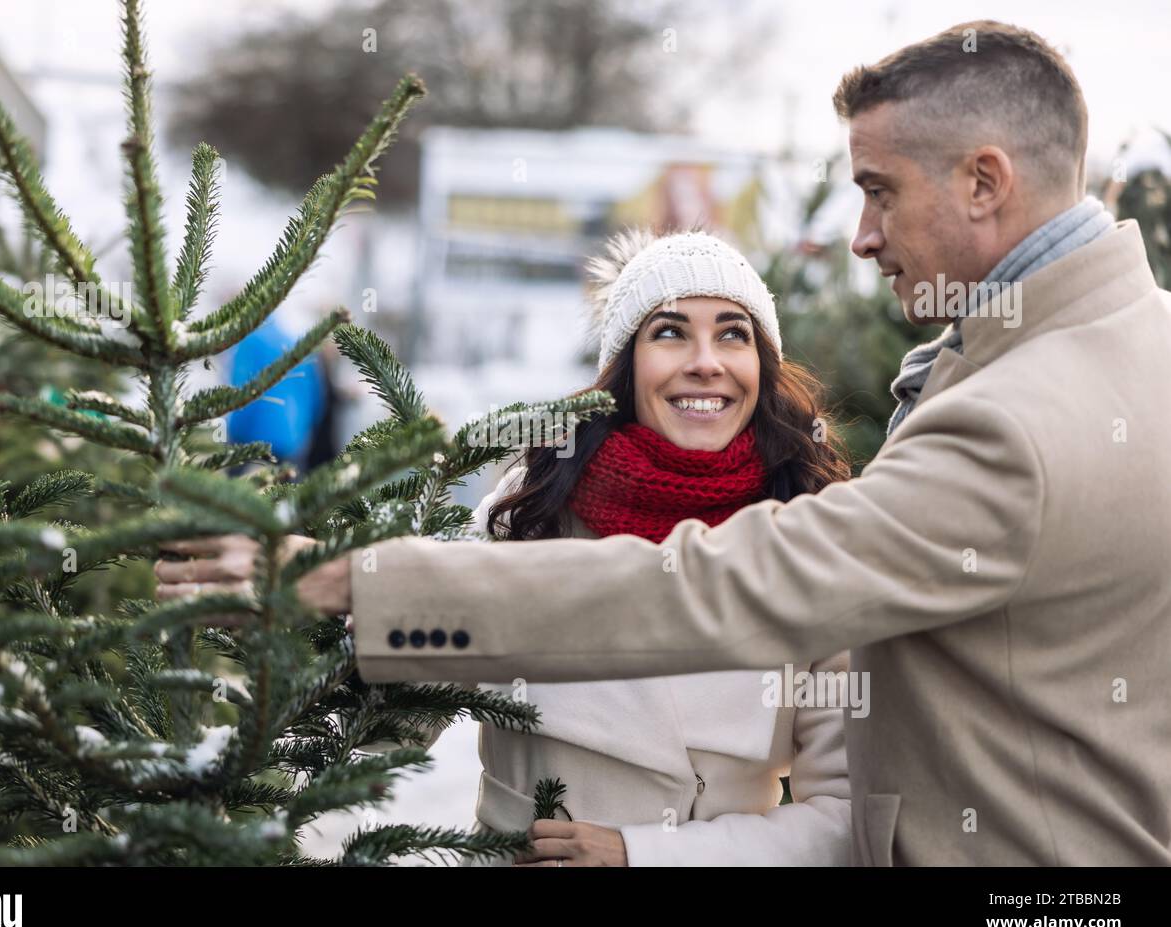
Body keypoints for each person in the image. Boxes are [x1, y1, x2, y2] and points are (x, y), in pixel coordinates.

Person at [160, 22, 1171, 865]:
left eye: (879, 190)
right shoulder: (1114, 351)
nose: (862, 234)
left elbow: (716, 592)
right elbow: (372, 731)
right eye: (667, 332)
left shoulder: (1007, 421)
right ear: (620, 365)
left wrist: (358, 584)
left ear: (984, 181)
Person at [407, 228, 852, 866]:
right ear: (624, 367)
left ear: (763, 365)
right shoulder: (532, 506)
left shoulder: (809, 534)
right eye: (670, 332)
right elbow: (386, 726)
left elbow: (842, 819)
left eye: (733, 333)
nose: (707, 361)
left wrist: (641, 855)